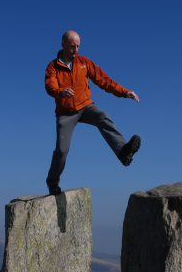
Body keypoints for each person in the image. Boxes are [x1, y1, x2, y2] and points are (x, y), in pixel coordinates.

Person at [44, 30, 141, 195]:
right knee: (62, 150)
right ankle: (53, 183)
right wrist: (59, 91)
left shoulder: (84, 62)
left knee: (102, 116)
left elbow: (104, 80)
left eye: (78, 46)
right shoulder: (53, 66)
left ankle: (123, 152)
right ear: (63, 44)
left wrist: (124, 92)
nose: (76, 50)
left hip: (85, 106)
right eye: (72, 46)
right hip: (65, 113)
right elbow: (49, 85)